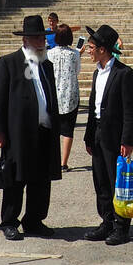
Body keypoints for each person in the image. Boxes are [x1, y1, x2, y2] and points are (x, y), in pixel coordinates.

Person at [0, 15, 61, 241]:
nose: (42, 41)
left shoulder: (46, 65)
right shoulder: (9, 63)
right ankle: (9, 221)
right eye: (37, 38)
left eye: (43, 37)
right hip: (18, 133)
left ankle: (34, 220)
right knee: (15, 179)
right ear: (26, 40)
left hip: (43, 130)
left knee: (41, 179)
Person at [82, 24, 133, 246]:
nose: (88, 49)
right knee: (101, 180)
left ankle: (121, 227)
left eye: (91, 46)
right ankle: (106, 220)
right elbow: (93, 105)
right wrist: (88, 136)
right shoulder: (98, 72)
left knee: (117, 182)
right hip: (97, 132)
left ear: (103, 49)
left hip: (114, 136)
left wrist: (127, 140)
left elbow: (129, 110)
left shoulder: (124, 73)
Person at [48, 24, 83, 171]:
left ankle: (52, 160)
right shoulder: (74, 54)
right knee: (68, 130)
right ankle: (63, 162)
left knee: (52, 129)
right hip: (70, 95)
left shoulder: (49, 53)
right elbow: (77, 71)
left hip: (53, 95)